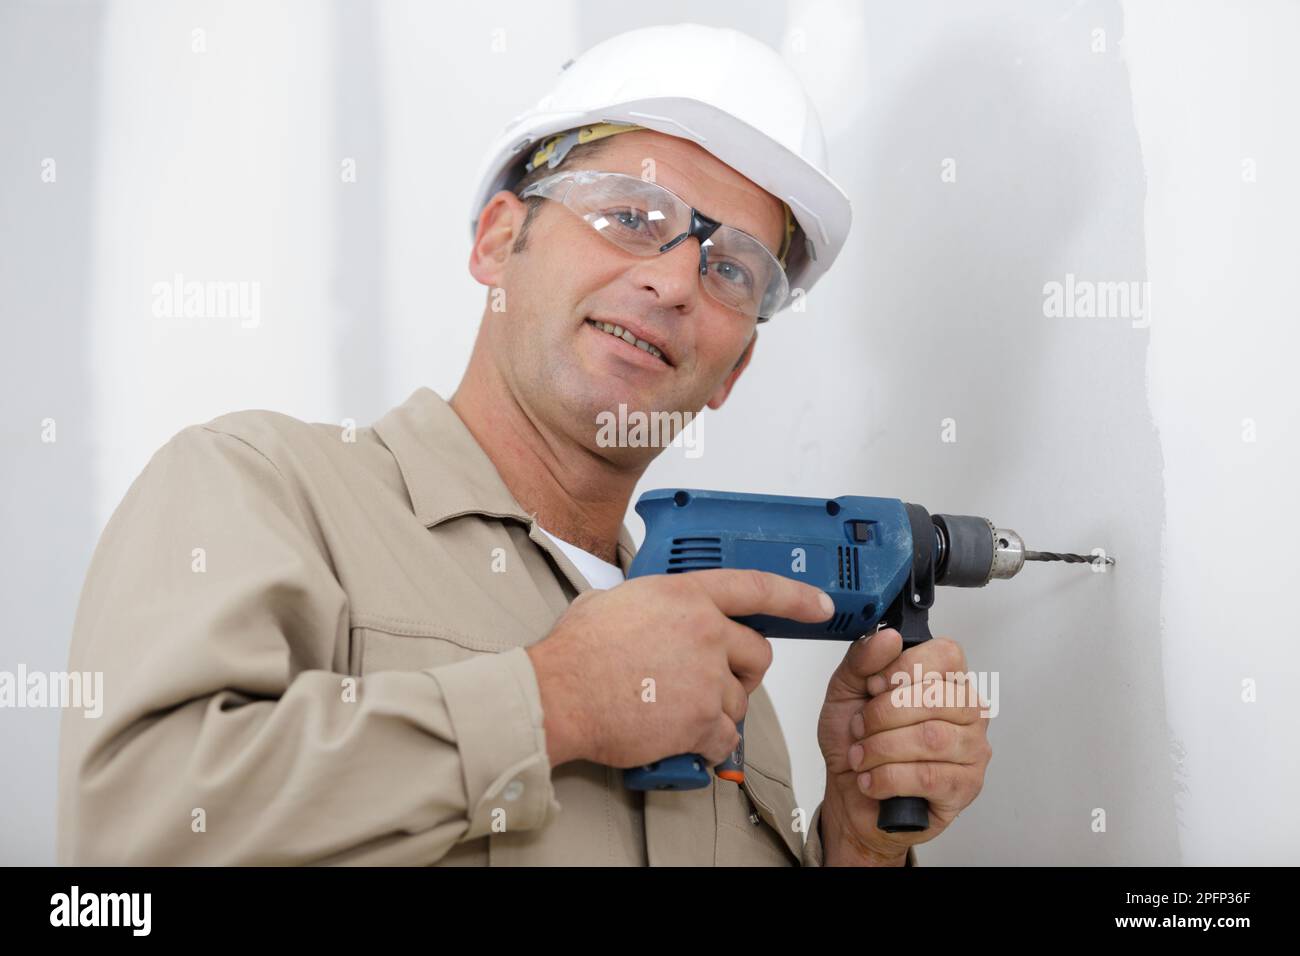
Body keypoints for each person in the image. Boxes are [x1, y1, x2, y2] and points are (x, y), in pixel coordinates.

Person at [58, 23, 990, 866]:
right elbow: (127, 843)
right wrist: (552, 702)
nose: (672, 282)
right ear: (500, 242)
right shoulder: (262, 489)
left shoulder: (724, 681)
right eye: (632, 217)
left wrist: (856, 848)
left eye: (731, 270)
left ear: (734, 367)